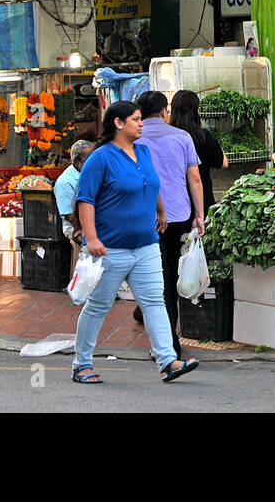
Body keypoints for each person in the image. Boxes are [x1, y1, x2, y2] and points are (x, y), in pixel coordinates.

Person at [72, 101, 198, 384]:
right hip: (109, 248)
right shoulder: (100, 158)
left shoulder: (143, 151)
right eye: (136, 119)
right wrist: (91, 238)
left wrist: (162, 212)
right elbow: (85, 200)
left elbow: (150, 184)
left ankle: (168, 361)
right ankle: (81, 364)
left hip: (146, 245)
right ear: (118, 123)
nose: (142, 124)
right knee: (98, 306)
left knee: (155, 302)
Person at [135, 90, 204, 358]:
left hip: (145, 219)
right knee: (171, 279)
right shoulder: (182, 137)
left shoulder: (135, 139)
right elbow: (194, 179)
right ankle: (170, 343)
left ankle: (161, 344)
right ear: (165, 111)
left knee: (153, 281)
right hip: (178, 217)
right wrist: (199, 215)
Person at [167, 89, 227, 217]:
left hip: (174, 202)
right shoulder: (204, 136)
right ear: (196, 111)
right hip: (202, 200)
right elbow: (223, 163)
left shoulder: (168, 137)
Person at [53, 140, 94, 276]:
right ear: (77, 162)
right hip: (75, 226)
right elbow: (69, 216)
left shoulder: (91, 174)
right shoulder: (65, 181)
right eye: (89, 159)